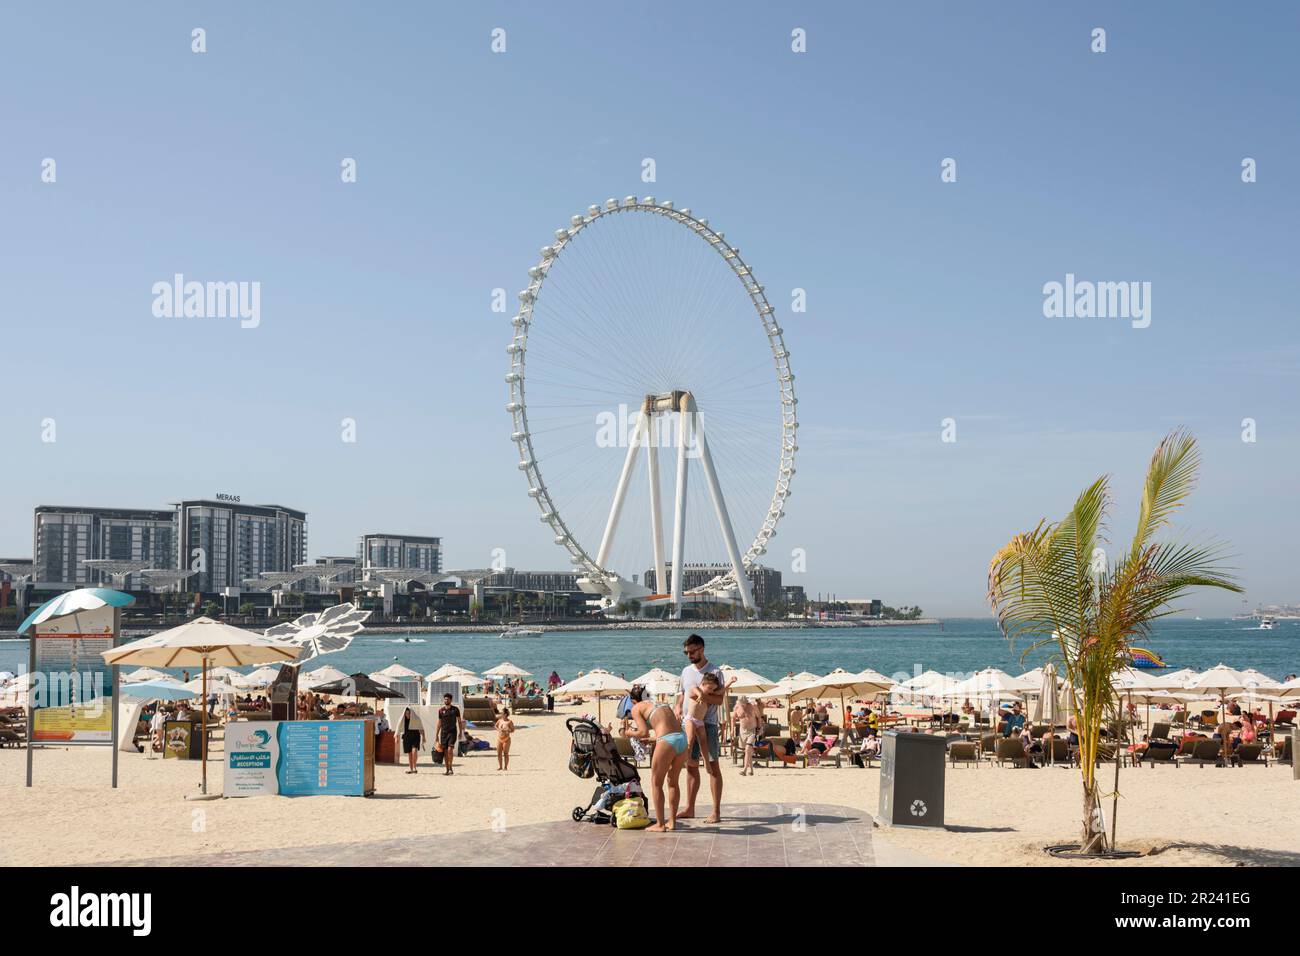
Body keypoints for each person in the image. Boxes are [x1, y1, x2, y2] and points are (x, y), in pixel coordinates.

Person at [625, 683, 688, 832]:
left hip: (667, 741)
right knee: (673, 782)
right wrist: (654, 739)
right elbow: (667, 727)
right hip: (682, 739)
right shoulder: (660, 703)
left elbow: (643, 732)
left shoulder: (636, 707)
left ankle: (660, 824)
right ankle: (672, 822)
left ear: (633, 700)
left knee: (656, 782)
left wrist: (629, 733)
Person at [677, 634, 725, 824]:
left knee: (712, 766)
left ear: (702, 649)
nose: (689, 655)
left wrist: (702, 698)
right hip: (687, 723)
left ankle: (716, 811)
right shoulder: (686, 671)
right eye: (686, 652)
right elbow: (682, 694)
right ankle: (690, 808)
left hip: (708, 725)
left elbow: (719, 700)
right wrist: (678, 706)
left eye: (692, 652)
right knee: (690, 766)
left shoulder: (715, 671)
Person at [434, 693, 464, 776]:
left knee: (450, 749)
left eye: (447, 699)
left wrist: (461, 732)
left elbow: (459, 721)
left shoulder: (455, 709)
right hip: (443, 733)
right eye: (445, 699)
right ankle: (447, 769)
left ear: (451, 700)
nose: (446, 700)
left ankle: (450, 767)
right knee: (445, 752)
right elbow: (439, 723)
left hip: (452, 732)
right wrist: (436, 735)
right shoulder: (441, 710)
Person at [733, 695, 761, 776]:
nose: (743, 705)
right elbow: (733, 718)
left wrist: (759, 728)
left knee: (748, 748)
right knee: (747, 751)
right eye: (742, 704)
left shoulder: (753, 706)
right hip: (742, 731)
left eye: (744, 703)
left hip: (752, 730)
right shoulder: (737, 708)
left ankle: (744, 770)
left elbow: (759, 717)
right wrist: (731, 730)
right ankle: (751, 770)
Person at [399, 707, 425, 774]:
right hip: (406, 737)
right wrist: (396, 736)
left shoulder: (416, 719)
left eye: (409, 713)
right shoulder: (403, 719)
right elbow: (398, 727)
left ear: (411, 713)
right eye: (406, 713)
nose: (407, 715)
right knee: (409, 753)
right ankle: (411, 768)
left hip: (415, 736)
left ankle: (414, 767)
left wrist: (424, 737)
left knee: (414, 751)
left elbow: (421, 728)